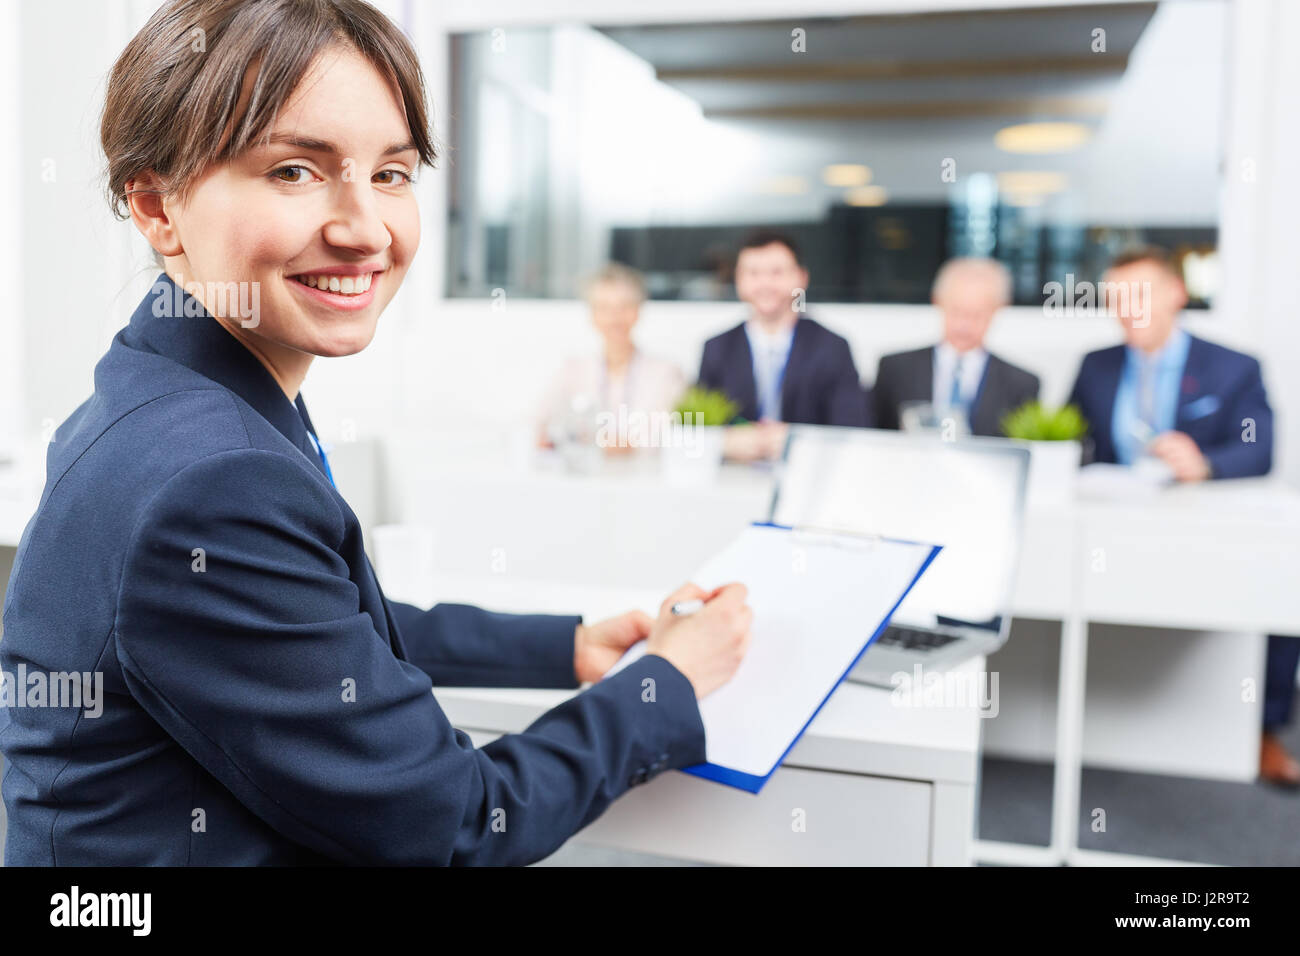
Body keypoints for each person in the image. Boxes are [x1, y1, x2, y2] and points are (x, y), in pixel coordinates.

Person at [0, 0, 753, 867]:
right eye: (293, 171)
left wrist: (566, 646)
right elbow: (450, 826)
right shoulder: (212, 477)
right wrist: (669, 686)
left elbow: (317, 627)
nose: (364, 230)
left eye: (391, 174)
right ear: (157, 206)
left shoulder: (164, 388)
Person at [1066, 245, 1297, 786]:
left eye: (1138, 295)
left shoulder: (1233, 367)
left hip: (1201, 534)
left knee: (1284, 576)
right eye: (1116, 299)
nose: (1126, 309)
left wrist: (1206, 464)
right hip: (1111, 533)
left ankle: (1262, 730)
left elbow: (1260, 450)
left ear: (1176, 294)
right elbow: (1072, 440)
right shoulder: (1096, 365)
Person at [697, 230, 870, 462]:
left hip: (808, 479)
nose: (765, 283)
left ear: (801, 278)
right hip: (734, 480)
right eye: (753, 273)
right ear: (738, 279)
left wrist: (797, 441)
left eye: (776, 272)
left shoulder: (832, 347)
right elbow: (695, 427)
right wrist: (723, 442)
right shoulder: (716, 348)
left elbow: (854, 430)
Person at [873, 257, 1039, 436]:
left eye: (976, 315)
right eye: (956, 311)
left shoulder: (1021, 385)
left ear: (998, 309)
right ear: (938, 302)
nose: (964, 325)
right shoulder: (896, 369)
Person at [537, 263, 685, 454]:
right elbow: (540, 424)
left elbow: (672, 434)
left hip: (645, 477)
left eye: (624, 306)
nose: (615, 318)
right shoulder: (573, 370)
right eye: (604, 308)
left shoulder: (667, 373)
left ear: (639, 310)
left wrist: (616, 445)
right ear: (592, 315)